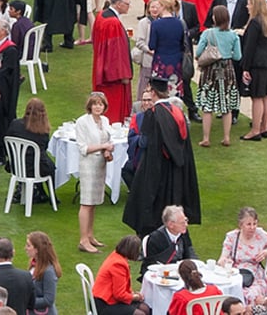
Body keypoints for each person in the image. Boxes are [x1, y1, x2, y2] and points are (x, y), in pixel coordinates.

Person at [122, 79, 200, 237]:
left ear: (153, 92)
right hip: (176, 171)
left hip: (156, 170)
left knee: (149, 208)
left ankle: (150, 243)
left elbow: (146, 143)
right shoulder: (177, 111)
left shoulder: (153, 114)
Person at [72, 93, 114, 252]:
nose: (98, 107)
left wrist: (109, 149)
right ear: (90, 105)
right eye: (95, 104)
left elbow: (108, 141)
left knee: (94, 202)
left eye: (101, 104)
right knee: (86, 202)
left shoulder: (105, 121)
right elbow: (83, 148)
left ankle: (90, 235)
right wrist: (103, 147)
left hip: (100, 163)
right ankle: (83, 240)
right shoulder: (83, 122)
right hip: (88, 164)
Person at [195, 5, 242, 146]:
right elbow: (238, 56)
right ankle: (226, 137)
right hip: (227, 70)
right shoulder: (233, 35)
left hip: (210, 71)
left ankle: (206, 138)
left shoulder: (208, 33)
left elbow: (198, 52)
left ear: (215, 18)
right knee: (226, 105)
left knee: (207, 106)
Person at [141, 206, 196, 275]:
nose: (186, 225)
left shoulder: (183, 232)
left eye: (186, 220)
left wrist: (194, 265)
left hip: (180, 272)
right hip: (162, 274)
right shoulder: (155, 239)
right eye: (182, 223)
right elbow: (152, 264)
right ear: (171, 225)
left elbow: (189, 249)